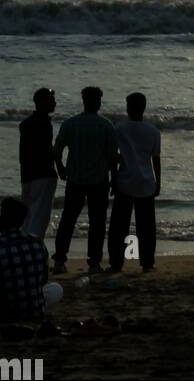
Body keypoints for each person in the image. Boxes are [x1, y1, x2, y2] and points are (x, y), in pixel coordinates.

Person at [52, 86, 118, 274]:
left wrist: (61, 168)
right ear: (98, 102)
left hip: (75, 178)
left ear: (83, 101)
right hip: (99, 179)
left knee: (68, 219)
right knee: (97, 222)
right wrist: (115, 178)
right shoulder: (106, 125)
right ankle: (94, 263)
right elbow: (113, 157)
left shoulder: (70, 124)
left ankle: (59, 260)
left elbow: (56, 151)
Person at [107, 93, 161, 273]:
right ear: (144, 108)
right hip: (145, 181)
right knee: (146, 227)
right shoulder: (153, 131)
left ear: (129, 107)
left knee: (118, 226)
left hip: (125, 181)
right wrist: (158, 182)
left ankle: (116, 263)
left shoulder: (120, 127)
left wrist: (113, 178)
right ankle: (147, 263)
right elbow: (156, 159)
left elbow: (112, 156)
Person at [0, 196, 49, 323]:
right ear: (22, 221)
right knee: (55, 289)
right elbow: (43, 280)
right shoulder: (37, 242)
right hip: (36, 310)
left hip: (7, 315)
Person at [19, 87, 57, 241]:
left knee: (28, 217)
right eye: (51, 100)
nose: (54, 103)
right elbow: (45, 150)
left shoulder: (27, 123)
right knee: (39, 217)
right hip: (43, 173)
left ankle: (24, 246)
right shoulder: (43, 124)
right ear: (42, 103)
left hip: (27, 174)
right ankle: (34, 248)